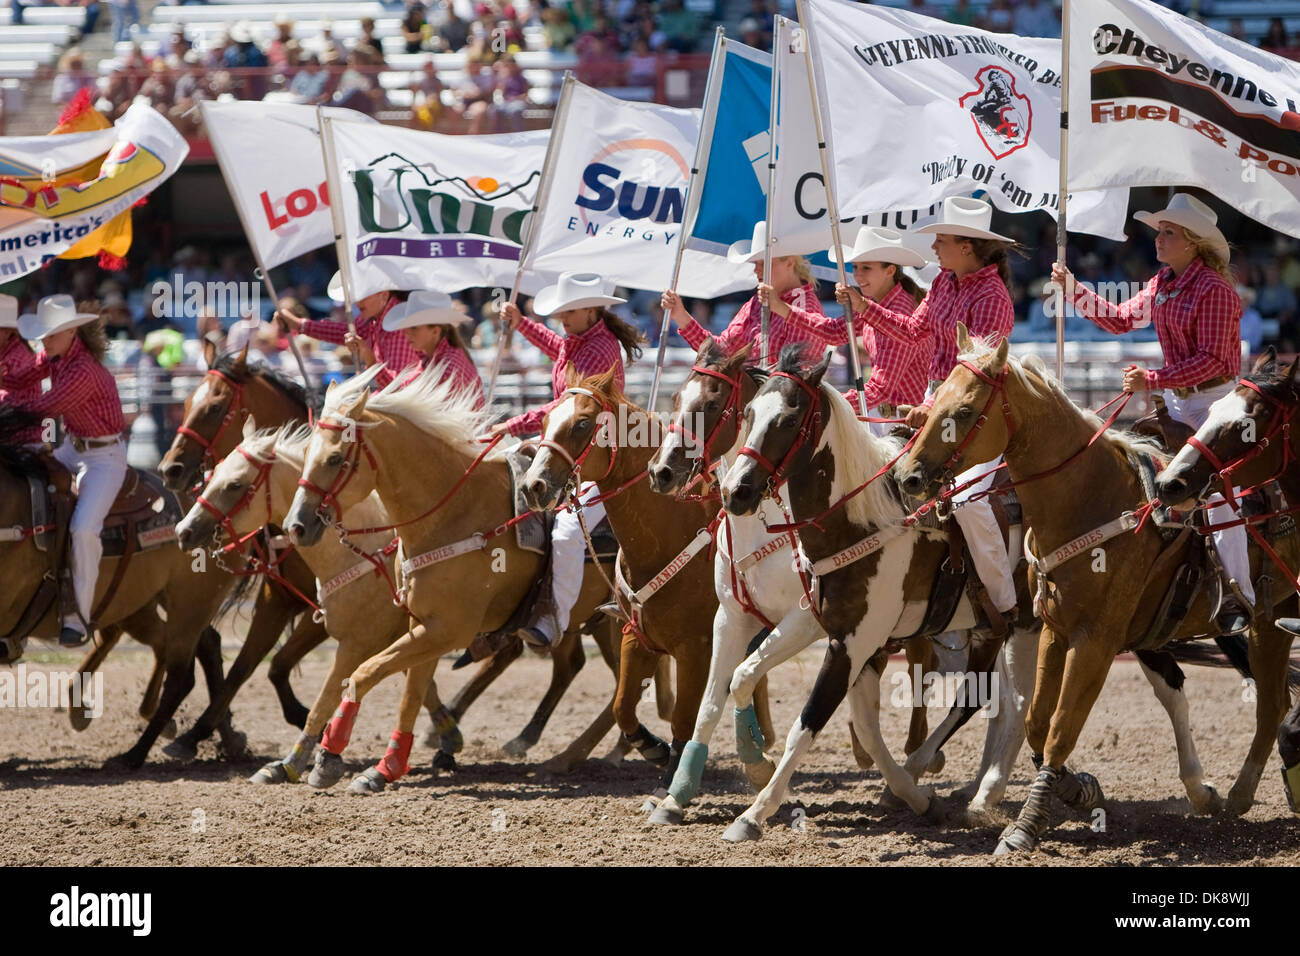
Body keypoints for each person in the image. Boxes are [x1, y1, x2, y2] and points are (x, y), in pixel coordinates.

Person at [1051, 193, 1252, 635]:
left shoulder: (1215, 290)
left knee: (1220, 496)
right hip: (1179, 400)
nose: (1158, 239)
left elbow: (1216, 362)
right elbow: (1121, 320)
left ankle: (1239, 592)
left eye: (1168, 232)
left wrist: (1154, 379)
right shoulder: (1164, 282)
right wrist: (1073, 290)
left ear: (1193, 242)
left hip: (1215, 403)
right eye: (1159, 232)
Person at [854, 196, 1020, 628]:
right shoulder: (946, 282)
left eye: (941, 241)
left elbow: (975, 376)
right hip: (940, 404)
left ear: (966, 246)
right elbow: (913, 332)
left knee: (966, 498)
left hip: (976, 414)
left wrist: (928, 406)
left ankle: (1003, 603)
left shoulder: (992, 296)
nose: (933, 250)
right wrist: (863, 307)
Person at [489, 272, 646, 649]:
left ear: (591, 309)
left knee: (567, 532)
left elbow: (566, 409)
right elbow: (555, 345)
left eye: (568, 310)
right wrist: (521, 323)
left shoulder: (599, 350)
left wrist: (511, 425)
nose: (562, 318)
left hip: (597, 457)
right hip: (569, 447)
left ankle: (551, 617)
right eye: (560, 311)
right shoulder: (579, 340)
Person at [8, 295, 126, 647]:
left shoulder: (83, 372)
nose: (44, 341)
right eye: (43, 334)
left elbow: (44, 407)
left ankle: (78, 617)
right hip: (73, 449)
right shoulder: (57, 355)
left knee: (84, 530)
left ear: (72, 332)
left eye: (51, 334)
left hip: (103, 459)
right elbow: (22, 378)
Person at [660, 220, 843, 367]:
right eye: (755, 264)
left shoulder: (804, 306)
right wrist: (680, 315)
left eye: (764, 263)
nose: (757, 270)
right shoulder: (756, 303)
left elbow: (795, 375)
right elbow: (723, 349)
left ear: (790, 263)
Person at [831, 226, 933, 437]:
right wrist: (780, 307)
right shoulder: (877, 303)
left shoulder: (899, 308)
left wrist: (827, 402)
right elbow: (835, 332)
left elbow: (880, 389)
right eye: (855, 266)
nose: (857, 275)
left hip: (909, 423)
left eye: (866, 268)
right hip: (894, 417)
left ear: (890, 270)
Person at [277, 272, 422, 390]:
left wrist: (369, 359)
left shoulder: (398, 324)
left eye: (362, 296)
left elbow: (397, 388)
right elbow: (348, 331)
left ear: (383, 294)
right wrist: (299, 324)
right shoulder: (376, 316)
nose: (357, 303)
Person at [381, 290, 484, 405]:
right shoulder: (434, 359)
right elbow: (404, 389)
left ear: (435, 331)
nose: (407, 333)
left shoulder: (448, 369)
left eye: (414, 327)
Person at [0, 294, 42, 447]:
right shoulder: (7, 352)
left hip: (23, 442)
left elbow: (7, 402)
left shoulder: (17, 359)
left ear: (7, 331)